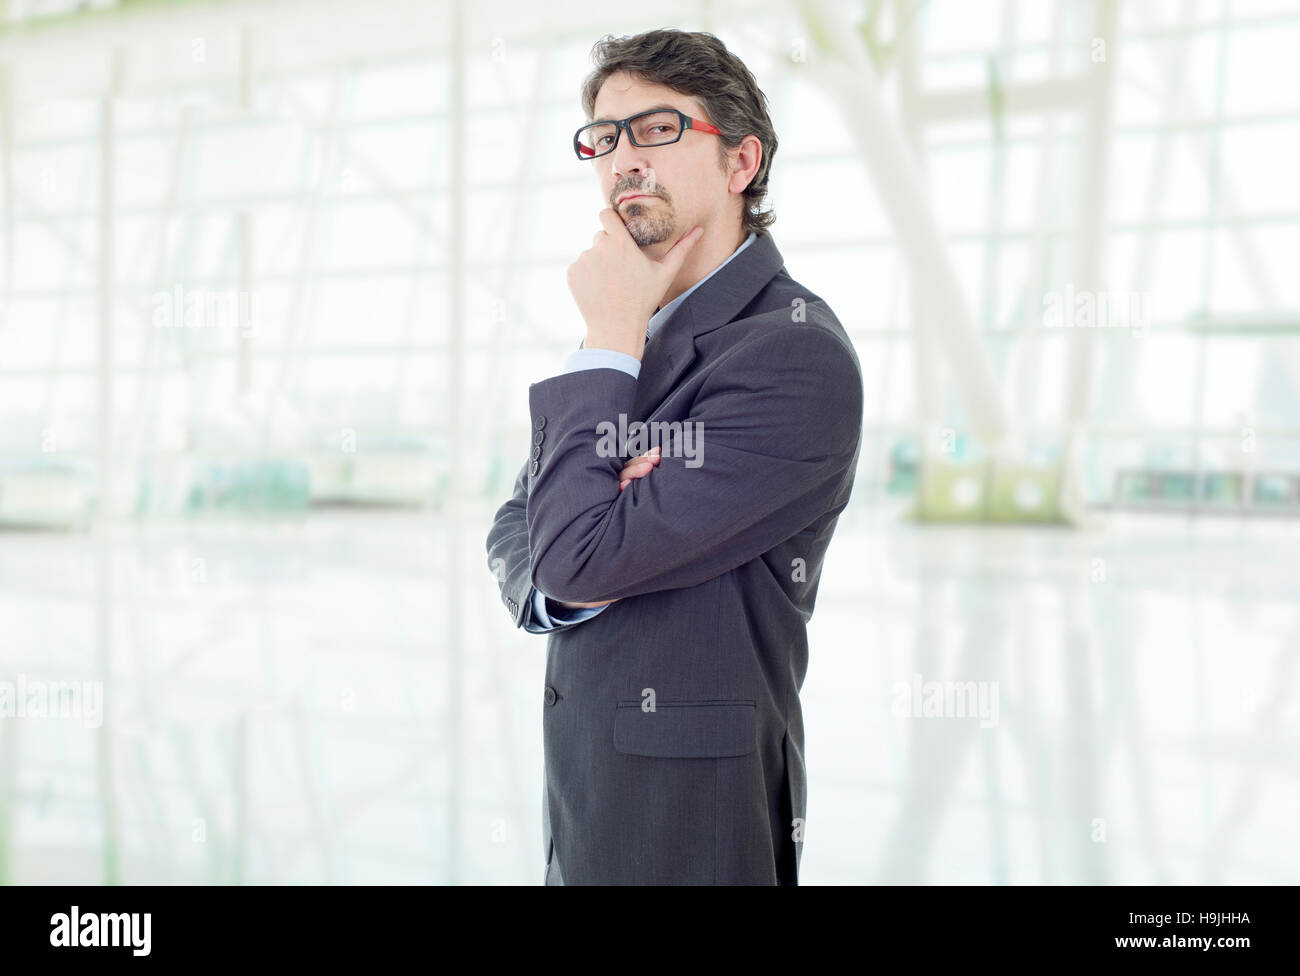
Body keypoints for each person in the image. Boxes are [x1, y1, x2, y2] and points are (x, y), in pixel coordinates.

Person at [485, 28, 863, 884]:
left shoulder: (793, 354)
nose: (623, 158)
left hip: (692, 834)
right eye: (605, 137)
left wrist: (610, 341)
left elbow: (574, 548)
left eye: (658, 129)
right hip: (583, 817)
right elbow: (520, 527)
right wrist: (568, 556)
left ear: (740, 163)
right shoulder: (631, 333)